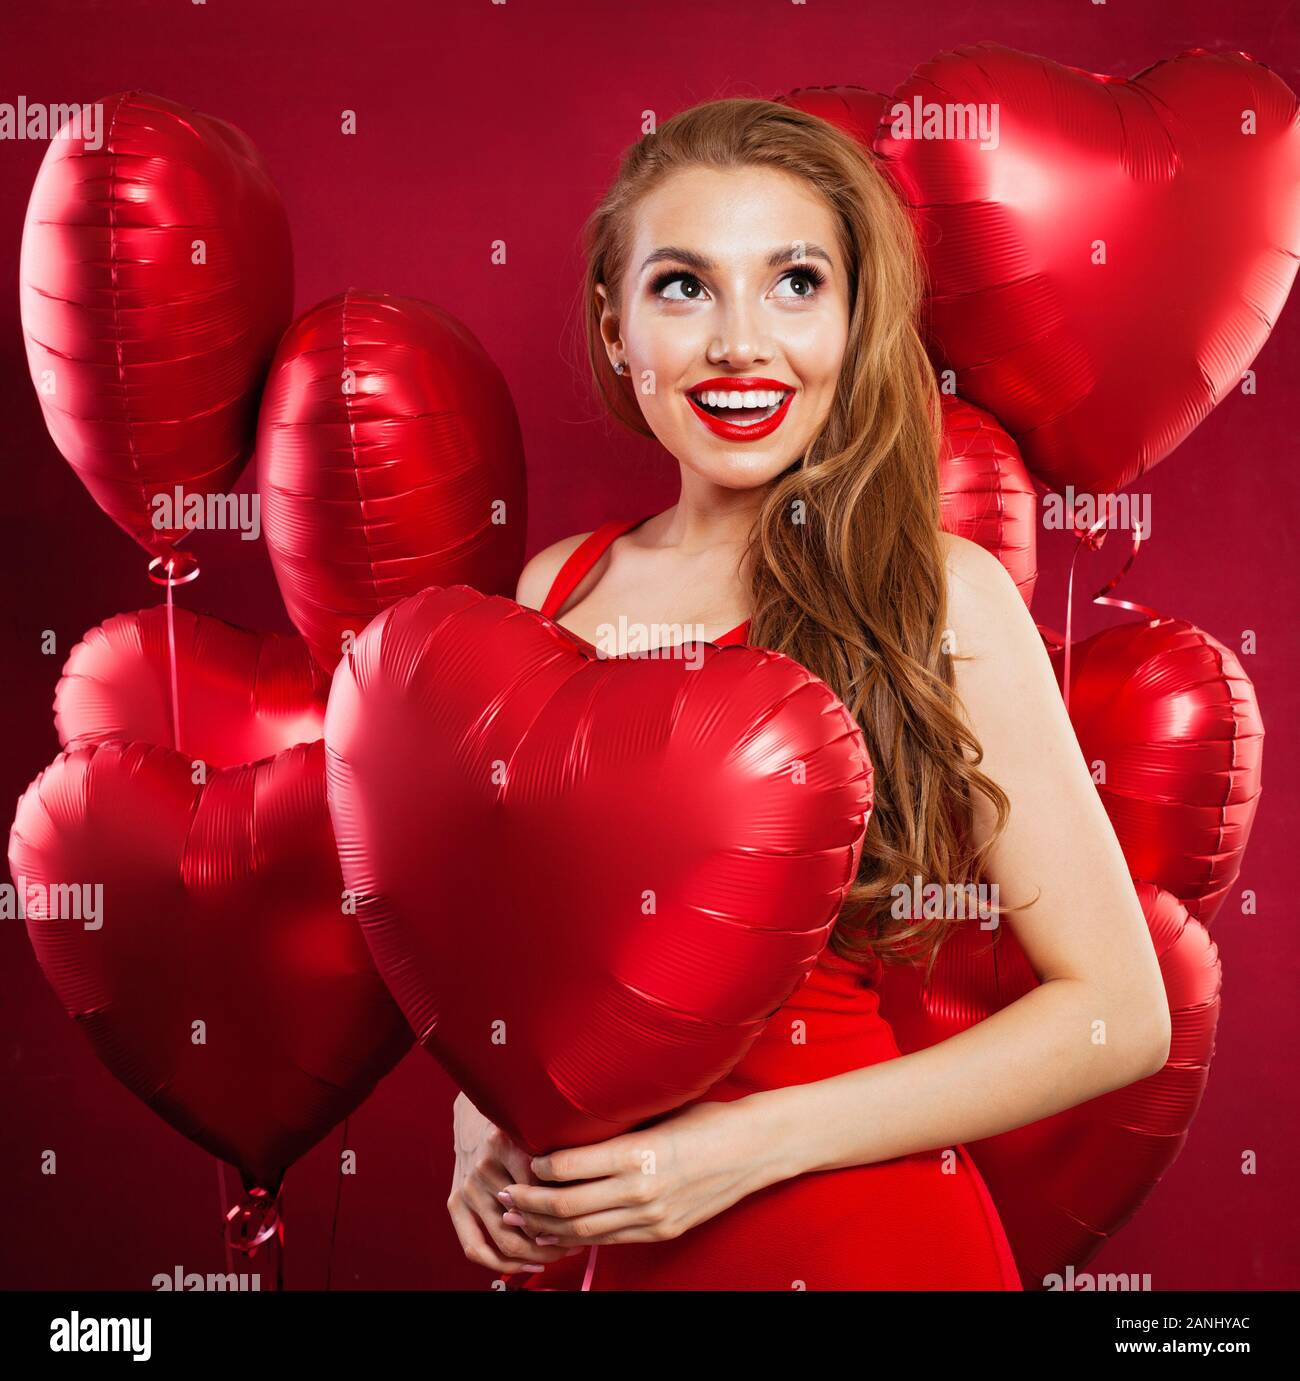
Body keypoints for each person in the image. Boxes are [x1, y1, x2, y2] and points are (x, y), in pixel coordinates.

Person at [445, 97, 1172, 1290]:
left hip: (864, 1239)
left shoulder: (939, 594)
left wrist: (740, 1150)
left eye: (795, 283)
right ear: (618, 329)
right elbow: (505, 958)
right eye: (683, 287)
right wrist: (483, 1134)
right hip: (627, 1258)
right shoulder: (554, 588)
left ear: (851, 319)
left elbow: (1120, 1014)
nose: (742, 343)